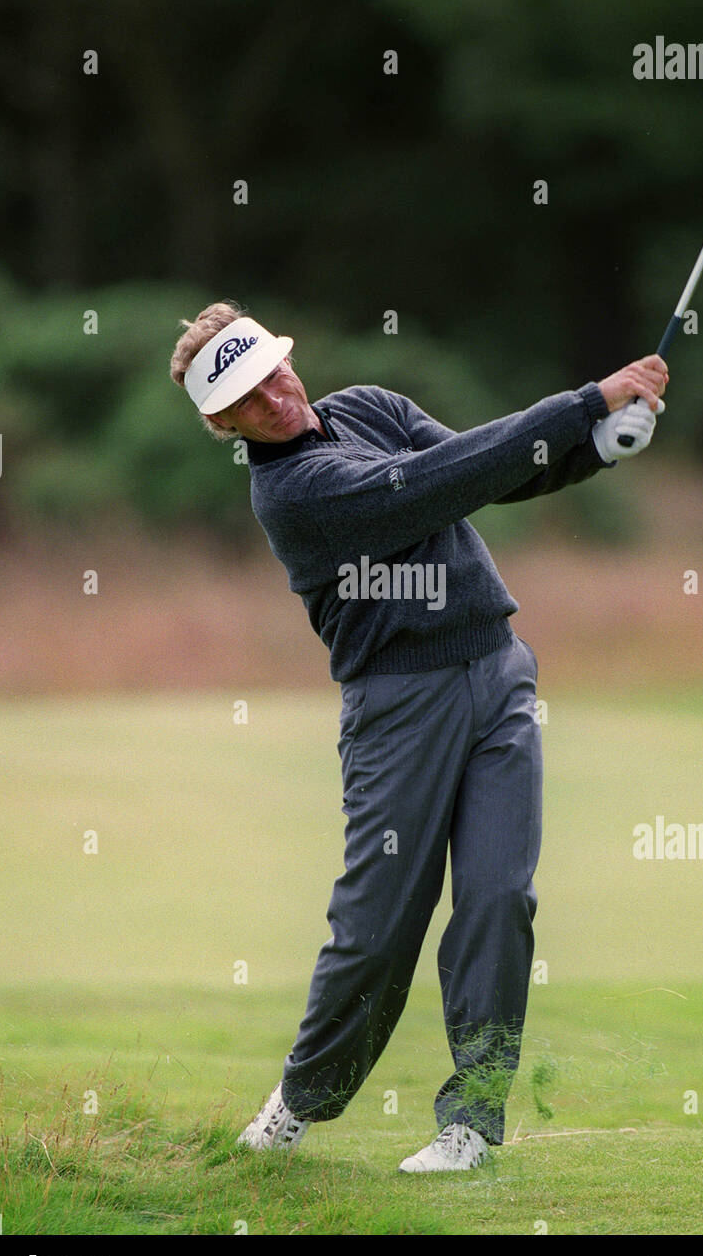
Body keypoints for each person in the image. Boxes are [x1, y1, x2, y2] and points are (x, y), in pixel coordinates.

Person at [169, 302, 668, 1172]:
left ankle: (471, 1120)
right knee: (376, 928)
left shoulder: (369, 405)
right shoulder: (290, 495)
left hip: (498, 671)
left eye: (273, 373)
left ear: (289, 358)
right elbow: (431, 486)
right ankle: (302, 1100)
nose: (274, 397)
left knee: (498, 900)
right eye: (247, 398)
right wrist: (585, 402)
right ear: (222, 422)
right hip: (399, 707)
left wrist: (595, 445)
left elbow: (493, 472)